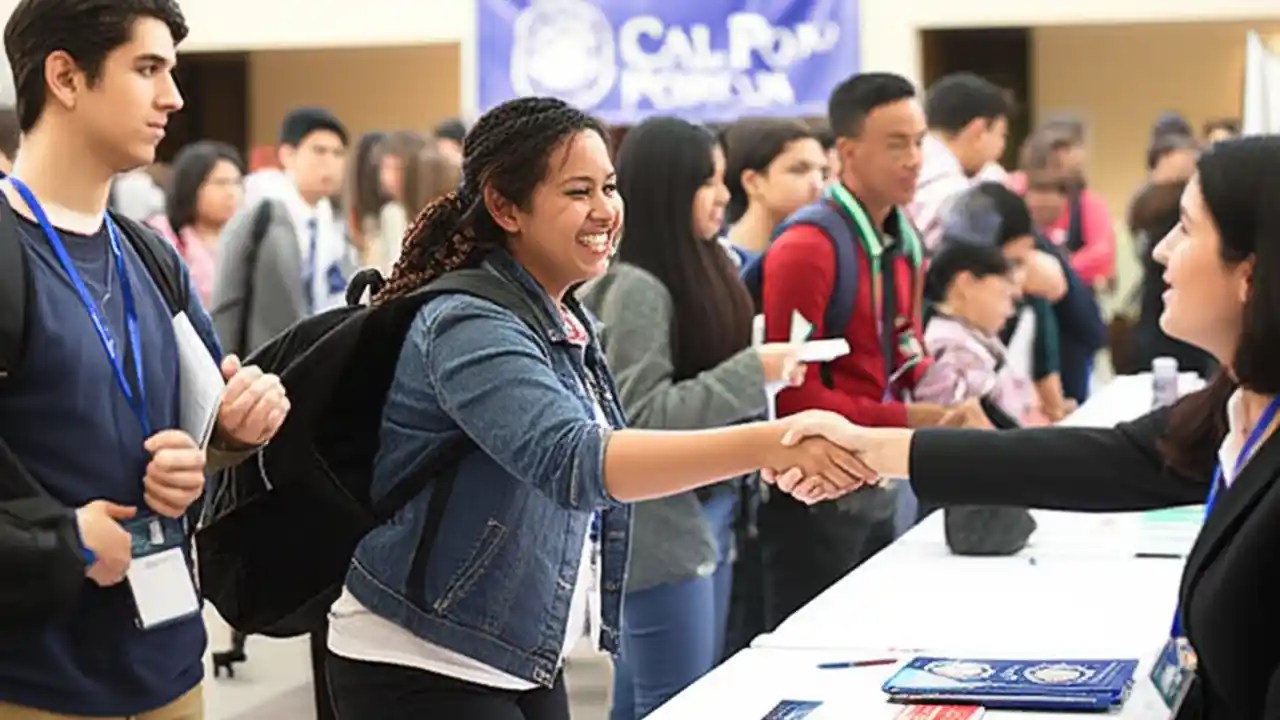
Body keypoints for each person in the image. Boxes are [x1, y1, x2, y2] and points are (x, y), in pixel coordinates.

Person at [322, 96, 866, 720]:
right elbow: (580, 460)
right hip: (420, 655)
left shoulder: (561, 310)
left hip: (518, 647)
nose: (605, 210)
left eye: (609, 186)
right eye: (578, 191)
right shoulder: (469, 323)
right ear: (504, 206)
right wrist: (770, 441)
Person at [771, 135, 1280, 720]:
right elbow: (1110, 460)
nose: (1162, 252)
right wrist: (873, 449)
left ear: (1250, 272)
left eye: (1186, 229)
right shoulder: (1240, 408)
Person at [0, 0, 289, 717]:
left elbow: (200, 426)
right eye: (148, 69)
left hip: (168, 666)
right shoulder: (9, 256)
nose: (174, 97)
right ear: (65, 77)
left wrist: (223, 439)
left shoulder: (149, 256)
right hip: (36, 682)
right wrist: (61, 542)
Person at [580, 116, 806, 720]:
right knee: (674, 700)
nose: (724, 196)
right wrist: (752, 373)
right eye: (709, 182)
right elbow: (642, 417)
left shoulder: (704, 265)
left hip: (704, 508)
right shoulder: (636, 287)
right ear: (669, 189)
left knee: (651, 695)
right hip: (660, 522)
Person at [754, 72, 989, 628]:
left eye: (919, 141)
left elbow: (904, 351)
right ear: (847, 152)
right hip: (818, 493)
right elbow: (793, 400)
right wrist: (919, 418)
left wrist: (954, 403)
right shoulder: (807, 247)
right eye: (896, 143)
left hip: (888, 475)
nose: (913, 159)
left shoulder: (901, 239)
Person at [211, 107, 352, 357]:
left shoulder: (334, 224)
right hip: (264, 362)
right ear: (288, 154)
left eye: (338, 153)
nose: (330, 162)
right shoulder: (259, 211)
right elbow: (228, 300)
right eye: (319, 151)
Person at [910, 71, 1010, 253]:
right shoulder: (957, 197)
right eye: (1001, 135)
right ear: (978, 130)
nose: (1001, 148)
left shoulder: (899, 170)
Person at [147, 140, 245, 306]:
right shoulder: (161, 238)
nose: (231, 193)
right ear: (190, 186)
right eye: (221, 183)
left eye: (236, 183)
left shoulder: (246, 239)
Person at [721, 117, 827, 259]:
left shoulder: (821, 255)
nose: (818, 185)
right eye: (799, 170)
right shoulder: (716, 264)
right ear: (753, 182)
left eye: (823, 172)